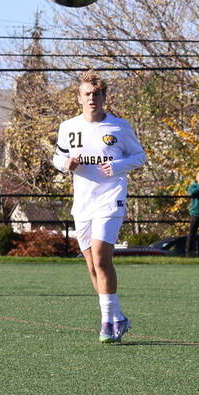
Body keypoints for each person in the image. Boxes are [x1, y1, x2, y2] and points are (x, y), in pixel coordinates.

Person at [52, 70, 147, 343]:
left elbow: (140, 156)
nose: (92, 98)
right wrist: (65, 164)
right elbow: (57, 158)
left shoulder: (119, 127)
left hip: (110, 198)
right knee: (92, 265)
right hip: (83, 202)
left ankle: (107, 323)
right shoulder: (68, 127)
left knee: (102, 257)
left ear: (104, 97)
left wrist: (117, 166)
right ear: (79, 98)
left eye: (97, 94)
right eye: (87, 94)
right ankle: (117, 317)